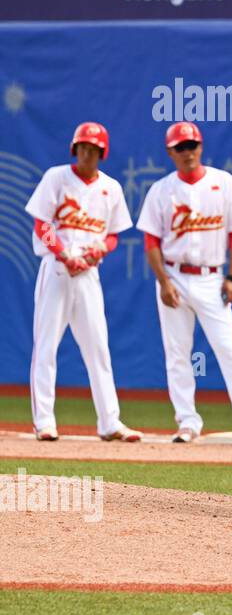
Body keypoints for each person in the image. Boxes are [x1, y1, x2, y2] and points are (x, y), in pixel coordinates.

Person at [136, 122, 232, 444]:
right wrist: (163, 282)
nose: (188, 152)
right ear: (170, 152)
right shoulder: (161, 190)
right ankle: (187, 422)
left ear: (201, 147)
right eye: (181, 147)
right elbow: (150, 241)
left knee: (228, 347)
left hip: (211, 277)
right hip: (174, 276)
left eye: (192, 145)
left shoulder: (223, 182)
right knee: (178, 353)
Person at [25, 123, 142, 443]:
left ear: (102, 153)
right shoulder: (56, 177)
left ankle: (110, 422)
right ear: (74, 149)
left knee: (98, 349)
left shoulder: (111, 188)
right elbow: (41, 223)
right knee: (46, 346)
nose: (87, 153)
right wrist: (63, 254)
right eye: (82, 148)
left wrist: (98, 250)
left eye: (93, 149)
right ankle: (44, 421)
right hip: (57, 269)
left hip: (89, 271)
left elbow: (114, 235)